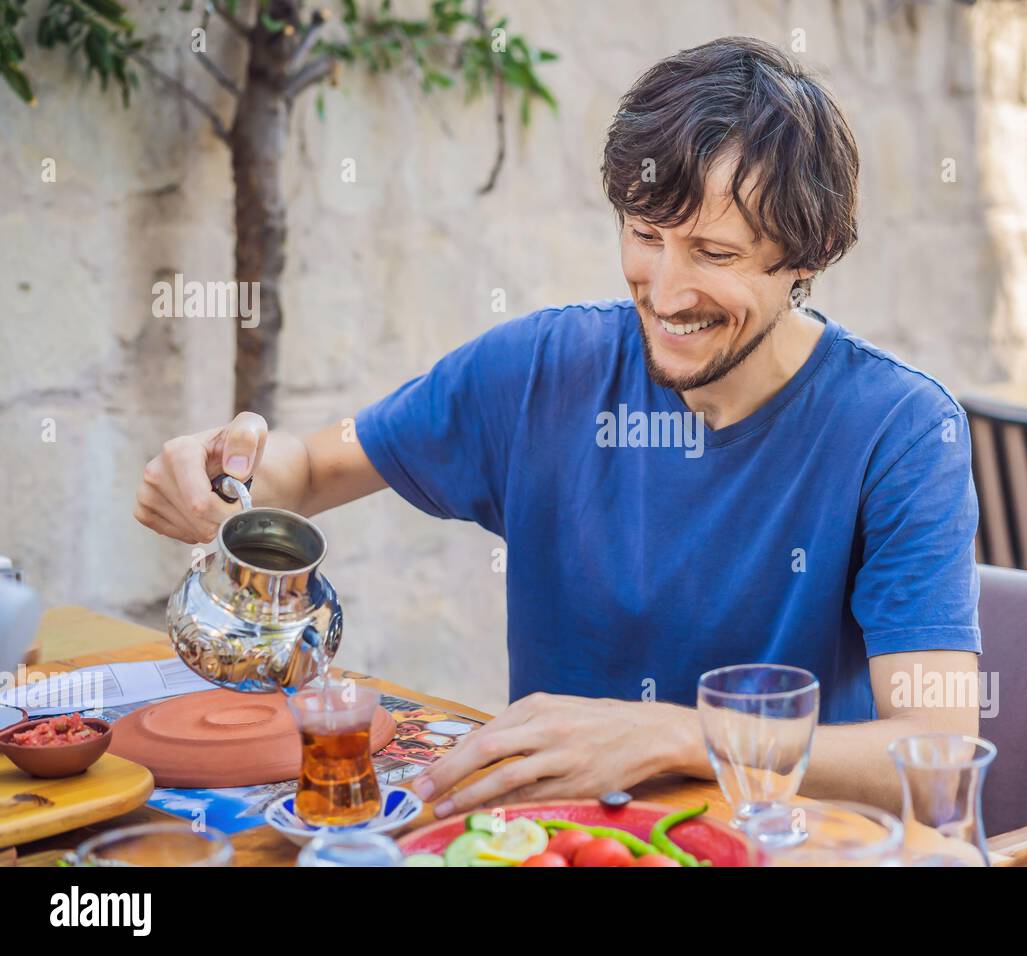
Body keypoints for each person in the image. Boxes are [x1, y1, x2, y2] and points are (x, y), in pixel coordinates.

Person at [133, 37, 981, 818]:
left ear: (808, 254)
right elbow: (314, 471)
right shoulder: (538, 370)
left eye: (715, 255)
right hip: (547, 838)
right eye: (647, 236)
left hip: (767, 842)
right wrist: (233, 467)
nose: (667, 289)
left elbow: (937, 758)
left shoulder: (899, 430)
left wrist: (672, 735)